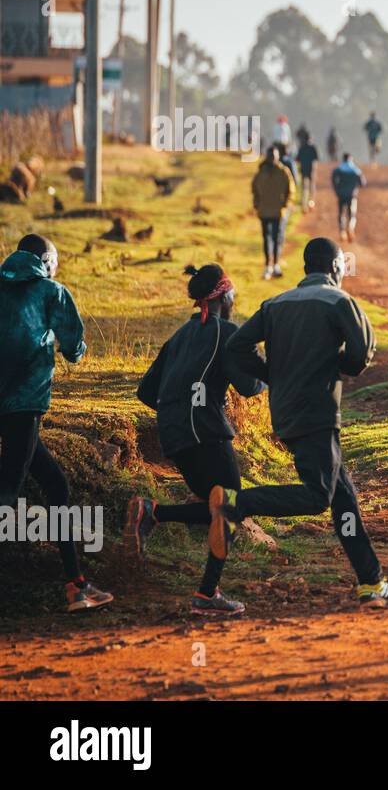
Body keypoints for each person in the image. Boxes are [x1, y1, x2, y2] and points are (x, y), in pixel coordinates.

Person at [222, 238, 388, 608]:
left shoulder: (274, 303)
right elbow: (360, 354)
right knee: (319, 496)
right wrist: (338, 367)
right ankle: (236, 503)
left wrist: (273, 374)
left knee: (344, 497)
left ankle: (371, 582)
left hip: (287, 411)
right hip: (318, 412)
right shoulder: (339, 301)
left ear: (306, 267)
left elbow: (236, 347)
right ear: (336, 266)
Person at [128, 264, 265, 617]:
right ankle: (206, 594)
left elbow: (146, 391)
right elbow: (250, 387)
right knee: (232, 505)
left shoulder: (179, 336)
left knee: (216, 508)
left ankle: (153, 512)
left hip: (174, 436)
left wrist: (180, 403)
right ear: (224, 295)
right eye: (233, 294)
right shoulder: (227, 333)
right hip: (205, 431)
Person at [0, 234, 113, 612]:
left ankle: (75, 584)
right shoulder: (51, 291)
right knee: (8, 494)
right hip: (23, 406)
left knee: (56, 485)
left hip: (12, 409)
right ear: (47, 261)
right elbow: (74, 349)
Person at [252, 145, 295, 280]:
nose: (272, 159)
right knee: (266, 238)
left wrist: (285, 205)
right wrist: (257, 205)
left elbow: (291, 190)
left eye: (274, 157)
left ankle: (275, 264)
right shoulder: (261, 172)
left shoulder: (283, 172)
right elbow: (254, 190)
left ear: (277, 157)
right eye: (270, 156)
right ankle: (268, 265)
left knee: (277, 237)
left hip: (278, 211)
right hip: (264, 210)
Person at [331, 152, 366, 242]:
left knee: (341, 213)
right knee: (352, 214)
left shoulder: (339, 169)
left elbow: (333, 180)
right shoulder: (355, 170)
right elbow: (362, 183)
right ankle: (350, 228)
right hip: (352, 195)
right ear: (351, 159)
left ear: (343, 159)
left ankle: (342, 232)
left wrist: (337, 189)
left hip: (341, 194)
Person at [297, 130, 320, 211]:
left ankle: (304, 204)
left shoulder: (302, 147)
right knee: (312, 187)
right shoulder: (313, 147)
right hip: (311, 169)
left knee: (304, 188)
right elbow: (316, 158)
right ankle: (311, 203)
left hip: (304, 169)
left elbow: (297, 159)